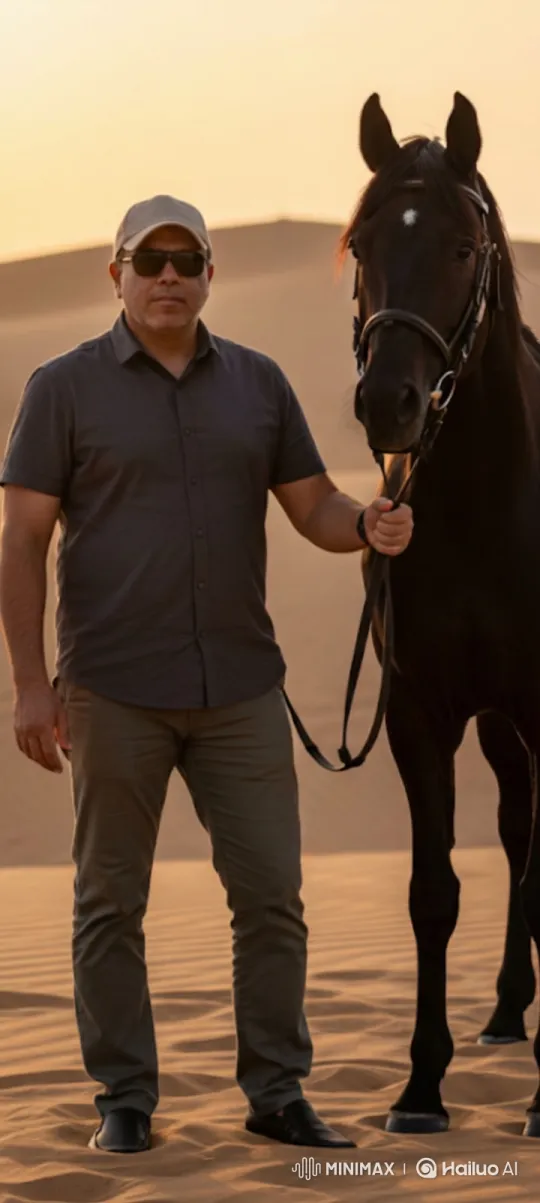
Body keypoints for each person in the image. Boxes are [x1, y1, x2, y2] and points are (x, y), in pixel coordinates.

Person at [0, 195, 413, 1155]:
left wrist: (368, 523)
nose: (170, 276)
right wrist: (29, 682)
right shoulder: (60, 388)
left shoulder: (260, 385)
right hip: (111, 689)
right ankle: (125, 1100)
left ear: (211, 273)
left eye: (189, 259)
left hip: (240, 691)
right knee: (110, 903)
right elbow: (20, 538)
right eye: (151, 260)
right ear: (117, 274)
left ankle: (277, 1091)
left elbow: (312, 505)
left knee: (271, 896)